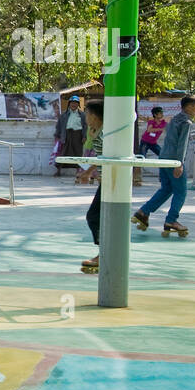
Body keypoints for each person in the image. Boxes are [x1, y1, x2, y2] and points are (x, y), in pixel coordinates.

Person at [133, 94, 195, 237]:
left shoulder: (174, 119)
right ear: (189, 107)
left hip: (163, 158)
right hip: (174, 160)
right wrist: (179, 164)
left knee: (167, 189)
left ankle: (143, 212)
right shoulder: (186, 123)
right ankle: (171, 220)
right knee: (181, 192)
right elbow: (182, 144)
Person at [77, 100, 105, 271]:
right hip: (106, 180)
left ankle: (105, 255)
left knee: (94, 216)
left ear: (95, 116)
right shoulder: (96, 131)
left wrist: (88, 172)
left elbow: (106, 156)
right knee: (98, 217)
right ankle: (105, 253)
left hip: (111, 181)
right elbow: (98, 154)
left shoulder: (106, 133)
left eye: (87, 114)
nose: (85, 117)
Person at [54, 96, 86, 176]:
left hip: (78, 135)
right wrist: (57, 136)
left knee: (78, 153)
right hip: (66, 135)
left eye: (75, 103)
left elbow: (85, 127)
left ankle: (78, 171)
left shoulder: (82, 115)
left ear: (78, 104)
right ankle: (58, 171)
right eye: (72, 103)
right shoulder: (64, 114)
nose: (73, 104)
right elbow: (59, 126)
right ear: (69, 104)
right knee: (63, 152)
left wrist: (84, 136)